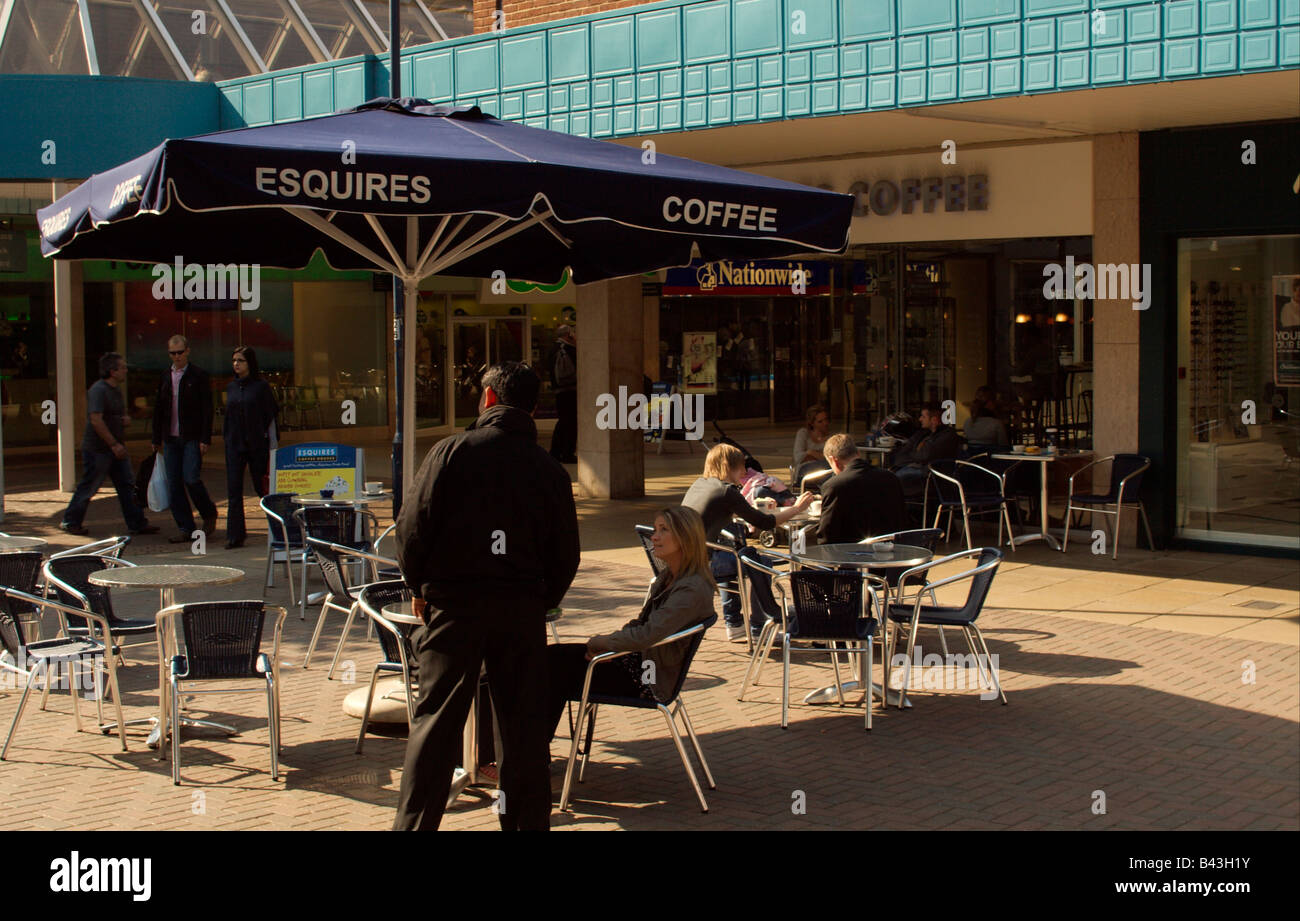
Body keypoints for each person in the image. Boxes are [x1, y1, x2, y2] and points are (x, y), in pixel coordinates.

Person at [393, 361, 580, 832]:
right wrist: (540, 598)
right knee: (523, 731)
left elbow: (411, 528)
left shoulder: (450, 451)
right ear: (533, 408)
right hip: (519, 610)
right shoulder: (548, 470)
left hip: (454, 605)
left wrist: (418, 586)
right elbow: (566, 553)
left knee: (435, 724)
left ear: (490, 399)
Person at [544, 506, 715, 737]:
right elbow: (640, 626)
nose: (654, 536)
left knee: (551, 669)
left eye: (664, 530)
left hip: (647, 677)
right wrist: (609, 646)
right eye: (655, 529)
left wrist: (603, 643)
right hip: (638, 661)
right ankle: (531, 753)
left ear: (686, 537)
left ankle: (529, 757)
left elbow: (647, 635)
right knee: (549, 660)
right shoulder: (670, 576)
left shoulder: (691, 589)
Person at [684, 443, 813, 642]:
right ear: (729, 467)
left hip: (688, 556)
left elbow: (716, 511)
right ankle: (759, 626)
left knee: (736, 552)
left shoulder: (700, 484)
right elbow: (764, 522)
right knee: (760, 564)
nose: (745, 471)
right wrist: (796, 508)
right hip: (705, 562)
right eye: (742, 466)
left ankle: (734, 623)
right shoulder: (727, 492)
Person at [59, 353, 159, 537]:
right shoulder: (99, 390)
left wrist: (124, 420)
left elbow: (111, 416)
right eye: (122, 368)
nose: (125, 371)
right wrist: (113, 444)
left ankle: (137, 523)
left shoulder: (116, 390)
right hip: (99, 449)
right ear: (112, 371)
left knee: (127, 486)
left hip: (115, 448)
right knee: (89, 486)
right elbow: (96, 420)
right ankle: (71, 521)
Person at [151, 335, 217, 543]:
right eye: (173, 353)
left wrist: (205, 438)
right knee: (174, 484)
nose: (177, 356)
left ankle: (208, 513)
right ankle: (185, 527)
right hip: (170, 437)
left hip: (191, 436)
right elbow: (159, 409)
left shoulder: (198, 375)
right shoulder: (165, 377)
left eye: (180, 352)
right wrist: (155, 437)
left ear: (187, 351)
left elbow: (207, 409)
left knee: (191, 478)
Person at [222, 346, 278, 549]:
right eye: (234, 360)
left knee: (262, 488)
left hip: (256, 445)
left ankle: (278, 531)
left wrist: (271, 444)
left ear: (250, 363)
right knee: (234, 490)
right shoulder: (232, 387)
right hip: (235, 444)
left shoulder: (261, 387)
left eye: (241, 360)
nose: (236, 364)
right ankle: (235, 535)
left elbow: (270, 415)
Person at [817, 434, 908, 544]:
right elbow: (902, 521)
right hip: (892, 552)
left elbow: (826, 536)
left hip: (850, 556)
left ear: (833, 461)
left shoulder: (834, 486)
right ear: (858, 454)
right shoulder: (891, 478)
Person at [891, 401, 961, 497]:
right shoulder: (921, 434)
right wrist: (915, 456)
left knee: (890, 480)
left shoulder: (947, 436)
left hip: (929, 474)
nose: (920, 419)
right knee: (884, 476)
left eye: (923, 417)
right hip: (912, 468)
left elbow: (925, 455)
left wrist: (912, 456)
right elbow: (901, 455)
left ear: (934, 420)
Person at [549, 324, 577, 464]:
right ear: (568, 335)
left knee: (564, 422)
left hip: (560, 391)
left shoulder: (554, 349)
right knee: (570, 423)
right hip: (569, 391)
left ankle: (556, 451)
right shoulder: (568, 350)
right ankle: (567, 453)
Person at [792, 403, 831, 486]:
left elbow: (832, 458)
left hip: (824, 469)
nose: (825, 423)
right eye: (820, 421)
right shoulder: (803, 434)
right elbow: (798, 457)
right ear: (812, 423)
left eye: (826, 420)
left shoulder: (830, 438)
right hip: (804, 470)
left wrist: (810, 453)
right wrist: (813, 453)